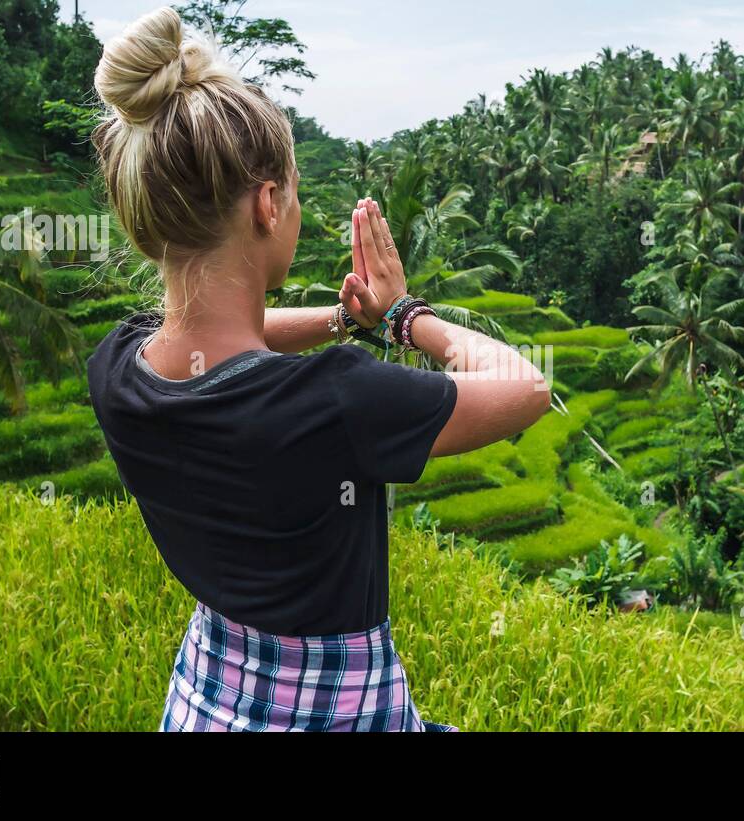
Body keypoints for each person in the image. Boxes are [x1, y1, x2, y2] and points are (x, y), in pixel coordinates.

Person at [85, 7, 549, 731]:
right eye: (294, 191)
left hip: (208, 698)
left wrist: (344, 321)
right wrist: (403, 314)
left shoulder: (117, 367)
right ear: (268, 204)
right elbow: (527, 387)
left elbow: (218, 340)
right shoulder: (336, 399)